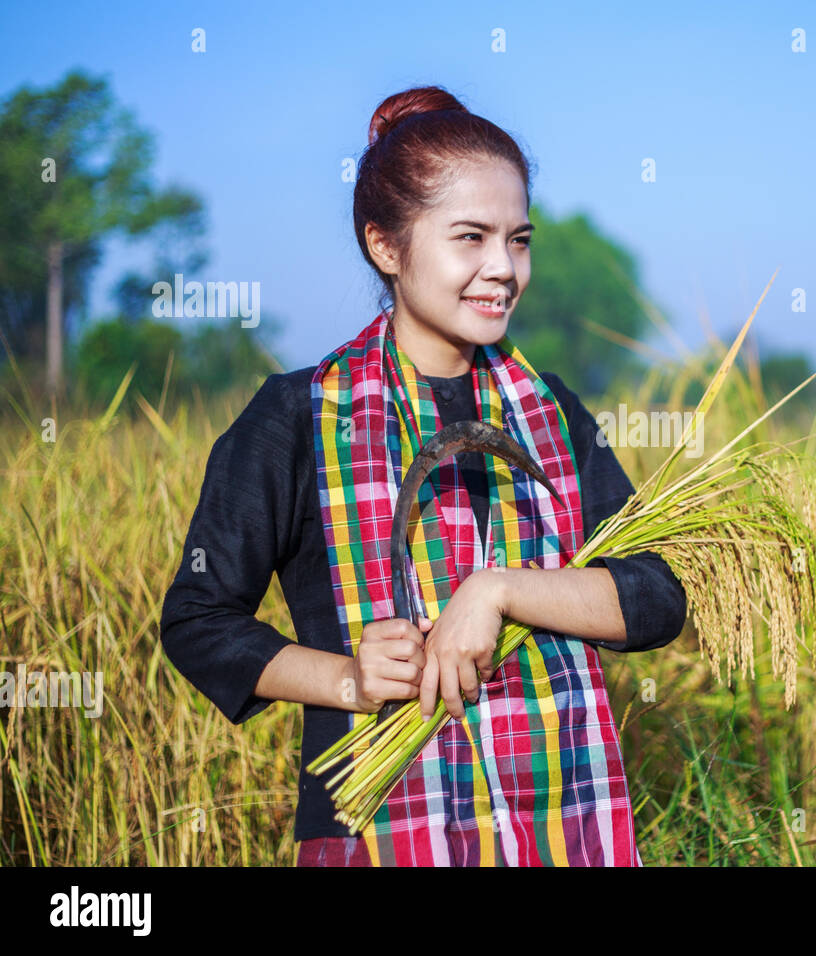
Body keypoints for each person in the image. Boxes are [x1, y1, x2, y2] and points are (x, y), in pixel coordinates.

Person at [159, 84, 688, 866]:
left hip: (561, 824)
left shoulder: (548, 412)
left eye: (519, 239)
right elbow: (198, 621)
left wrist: (498, 591)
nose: (503, 269)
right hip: (377, 835)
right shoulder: (299, 416)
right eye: (470, 238)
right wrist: (352, 682)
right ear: (387, 247)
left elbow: (655, 595)